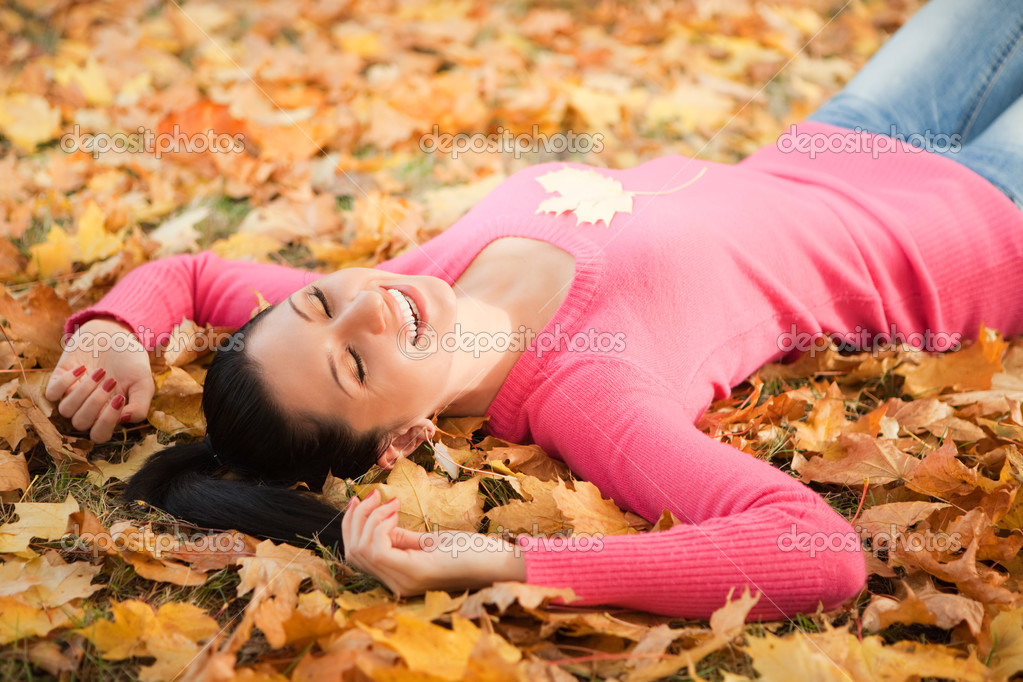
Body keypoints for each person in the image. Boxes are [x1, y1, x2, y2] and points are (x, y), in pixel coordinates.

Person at [47, 0, 1023, 621]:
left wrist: (114, 330)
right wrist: (497, 558)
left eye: (319, 303)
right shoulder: (590, 392)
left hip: (845, 141)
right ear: (401, 440)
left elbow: (192, 270)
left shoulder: (405, 279)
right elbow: (816, 550)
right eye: (352, 365)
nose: (367, 310)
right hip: (988, 215)